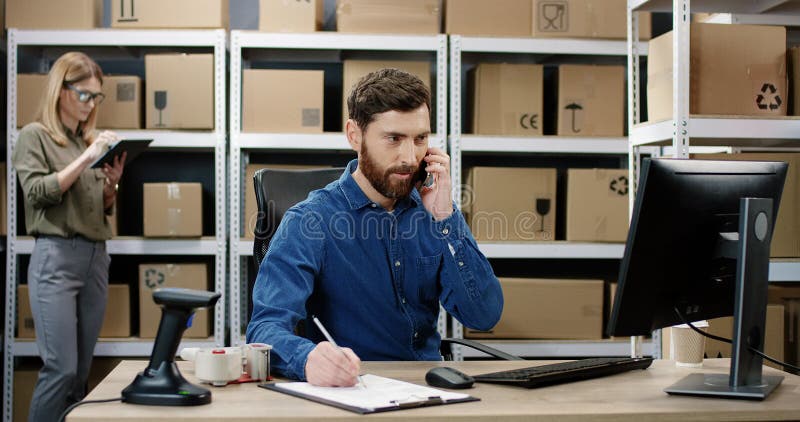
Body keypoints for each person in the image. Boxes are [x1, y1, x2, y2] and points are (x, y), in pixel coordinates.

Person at [246, 68, 503, 387]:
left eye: (420, 138)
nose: (410, 158)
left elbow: (484, 315)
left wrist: (446, 217)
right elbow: (264, 330)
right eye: (394, 138)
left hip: (430, 389)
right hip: (354, 389)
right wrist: (307, 359)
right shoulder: (310, 221)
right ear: (355, 134)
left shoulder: (433, 216)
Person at [12, 52, 125, 421]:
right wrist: (88, 157)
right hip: (57, 258)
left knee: (78, 375)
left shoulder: (85, 141)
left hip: (94, 258)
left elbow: (97, 207)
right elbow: (37, 193)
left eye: (97, 97)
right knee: (59, 370)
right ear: (60, 90)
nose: (91, 104)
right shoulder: (35, 137)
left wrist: (111, 185)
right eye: (84, 95)